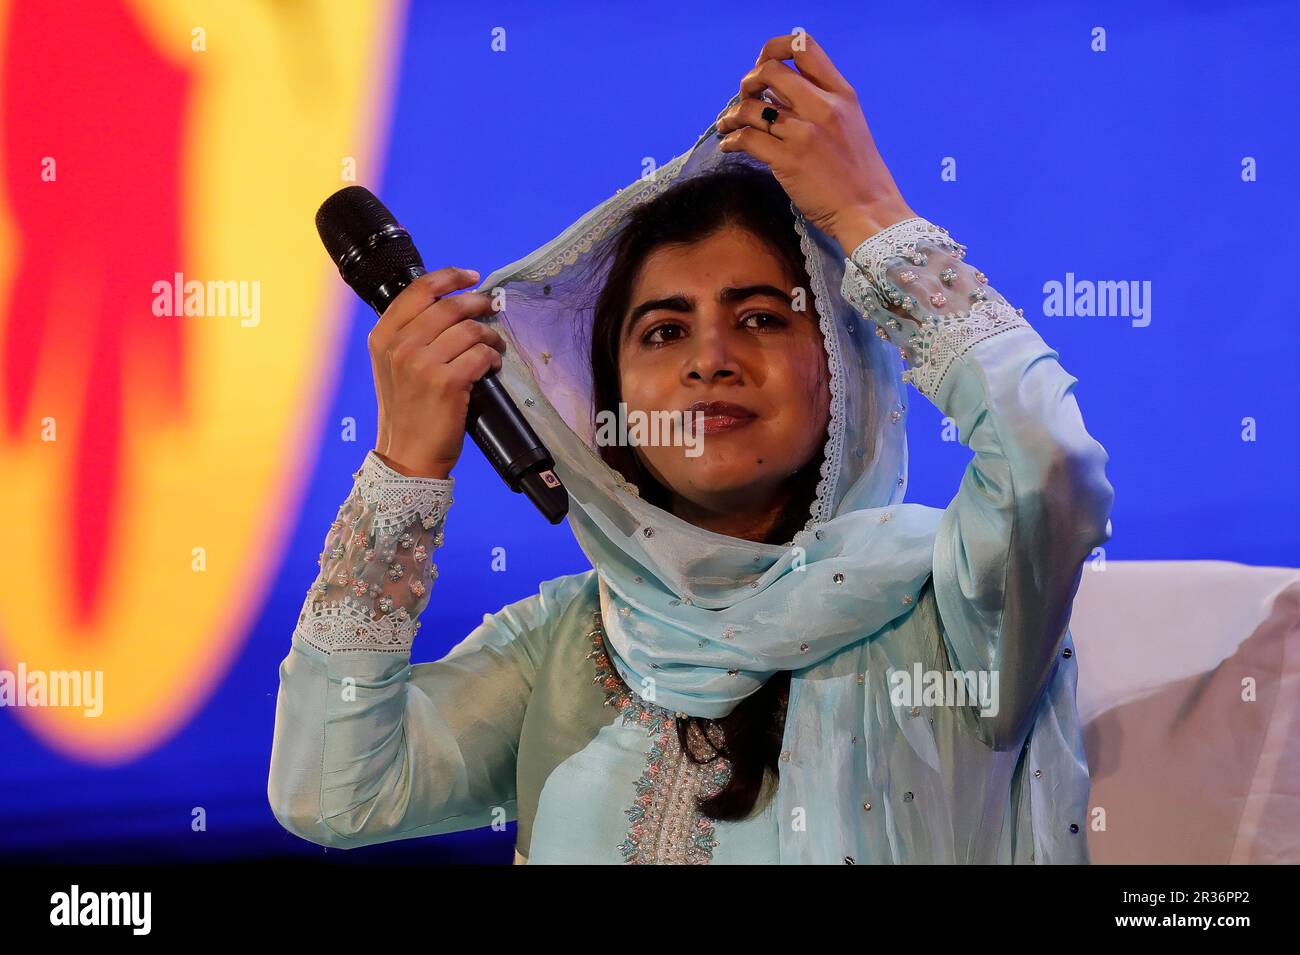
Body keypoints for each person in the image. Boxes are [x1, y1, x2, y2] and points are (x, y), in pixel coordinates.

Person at [269, 33, 1114, 864]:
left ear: (842, 372)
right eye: (664, 331)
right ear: (616, 403)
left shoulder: (948, 608)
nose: (711, 359)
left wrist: (870, 219)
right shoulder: (568, 641)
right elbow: (330, 790)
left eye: (758, 318)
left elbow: (1048, 463)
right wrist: (404, 471)